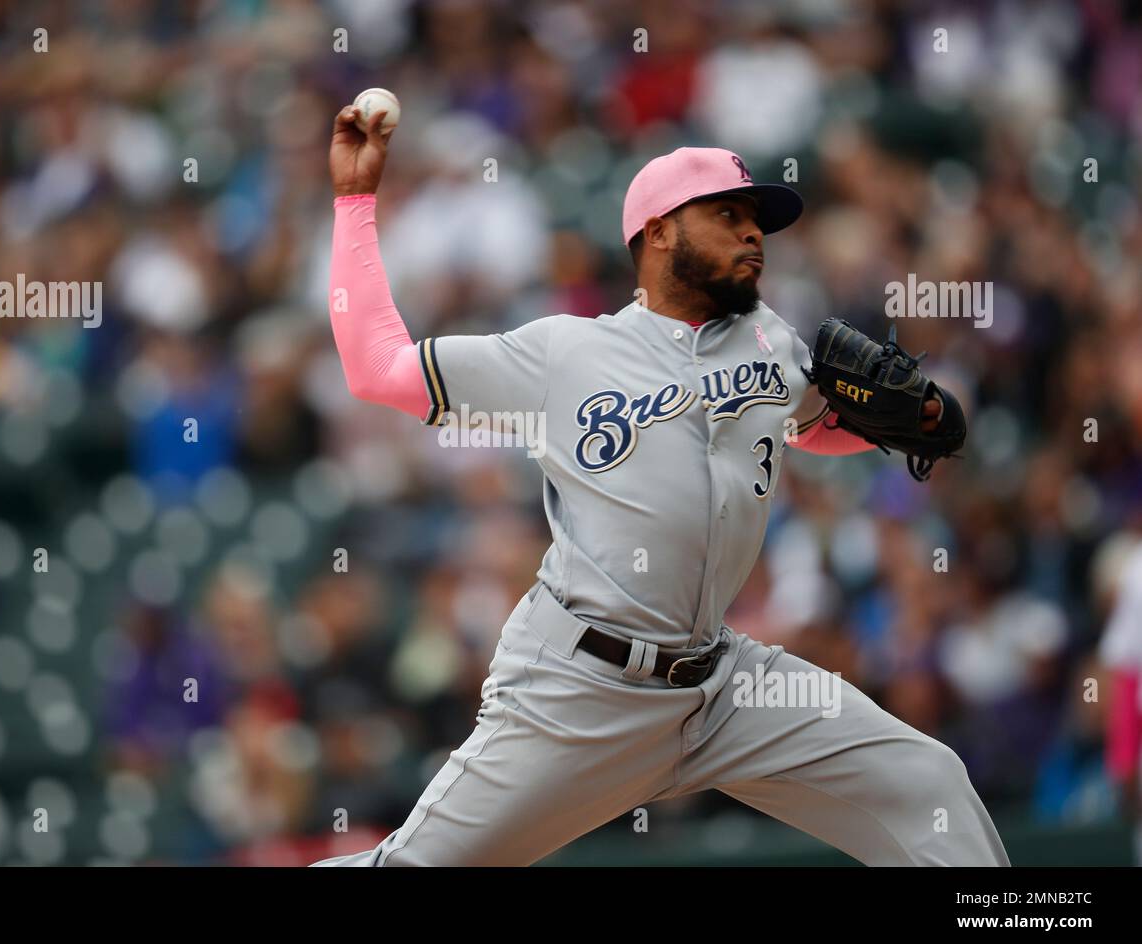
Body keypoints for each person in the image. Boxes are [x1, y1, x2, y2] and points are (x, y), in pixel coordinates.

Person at [311, 104, 1009, 866]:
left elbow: (811, 428)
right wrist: (355, 202)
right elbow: (376, 368)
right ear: (658, 233)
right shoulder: (564, 353)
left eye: (757, 221)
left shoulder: (771, 338)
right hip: (580, 689)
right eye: (728, 214)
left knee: (926, 783)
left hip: (726, 686)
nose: (753, 234)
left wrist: (902, 419)